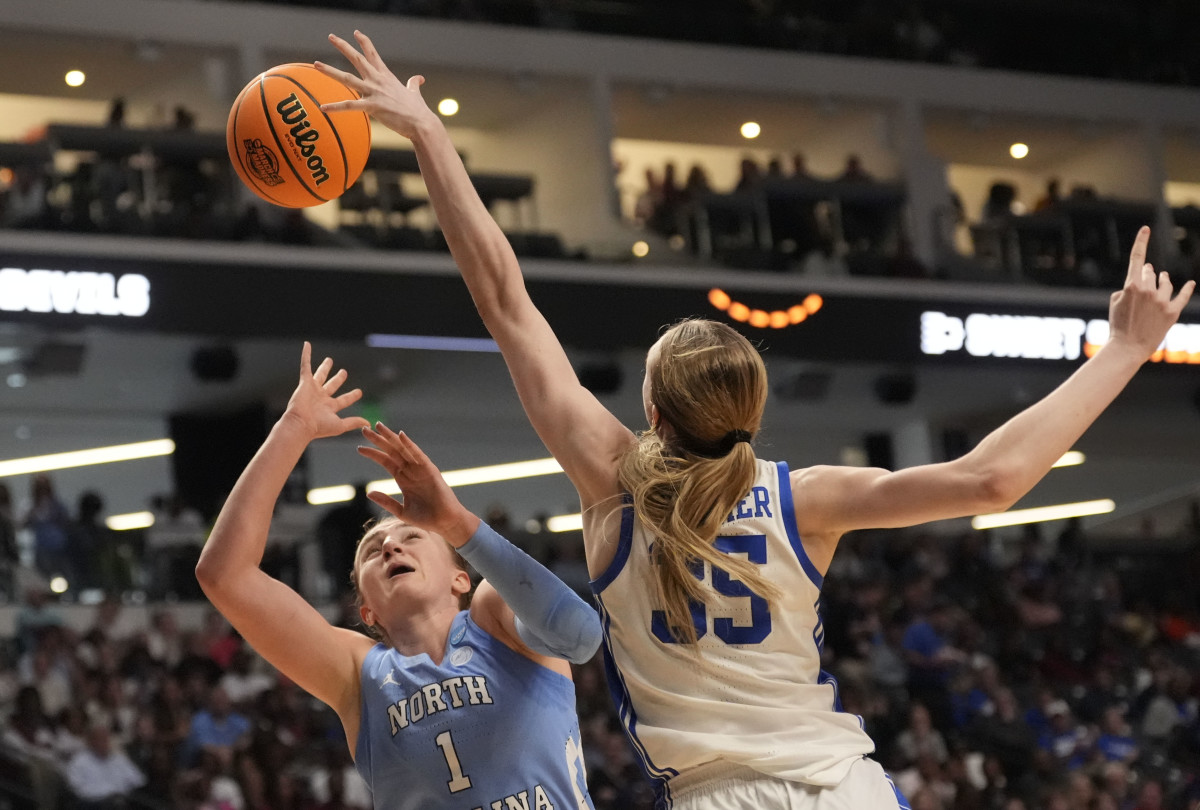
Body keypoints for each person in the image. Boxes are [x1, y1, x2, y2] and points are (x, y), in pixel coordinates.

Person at [316, 29, 1194, 810]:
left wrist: (428, 134)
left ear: (652, 411)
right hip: (840, 782)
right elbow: (992, 479)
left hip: (714, 794)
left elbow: (504, 298)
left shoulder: (613, 480)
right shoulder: (805, 497)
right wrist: (1121, 351)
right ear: (750, 413)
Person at [195, 343, 600, 810]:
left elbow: (582, 637)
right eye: (371, 551)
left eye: (412, 537)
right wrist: (292, 428)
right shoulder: (357, 674)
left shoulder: (494, 614)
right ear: (366, 609)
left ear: (459, 579)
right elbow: (224, 575)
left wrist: (457, 524)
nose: (390, 546)